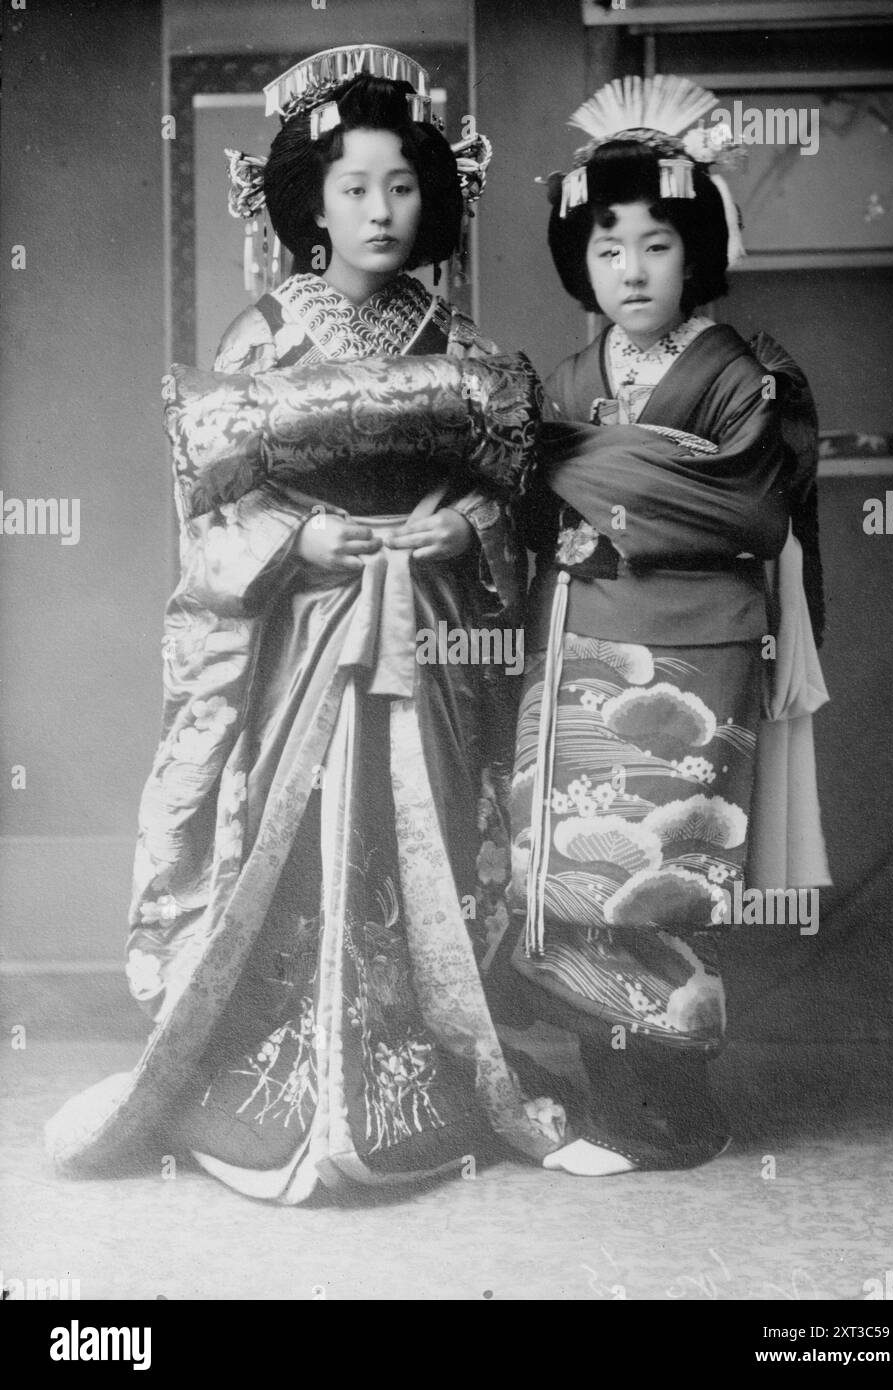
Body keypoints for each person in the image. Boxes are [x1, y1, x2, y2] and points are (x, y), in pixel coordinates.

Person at [46, 45, 565, 1202]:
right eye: (352, 189)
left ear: (429, 196)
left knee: (417, 820)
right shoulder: (264, 335)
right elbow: (212, 501)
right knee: (298, 825)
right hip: (306, 627)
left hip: (424, 626)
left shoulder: (463, 343)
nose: (380, 210)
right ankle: (271, 1062)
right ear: (310, 208)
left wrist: (466, 530)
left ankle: (415, 1061)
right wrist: (298, 544)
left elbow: (511, 495)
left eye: (399, 186)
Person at [496, 76, 830, 1177]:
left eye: (652, 245)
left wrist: (577, 461)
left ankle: (676, 1112)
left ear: (694, 251)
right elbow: (528, 500)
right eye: (604, 248)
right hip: (580, 635)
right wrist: (601, 475)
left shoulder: (748, 373)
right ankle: (614, 1105)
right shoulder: (571, 374)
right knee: (573, 884)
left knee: (664, 871)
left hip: (692, 646)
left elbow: (746, 503)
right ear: (579, 262)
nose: (628, 270)